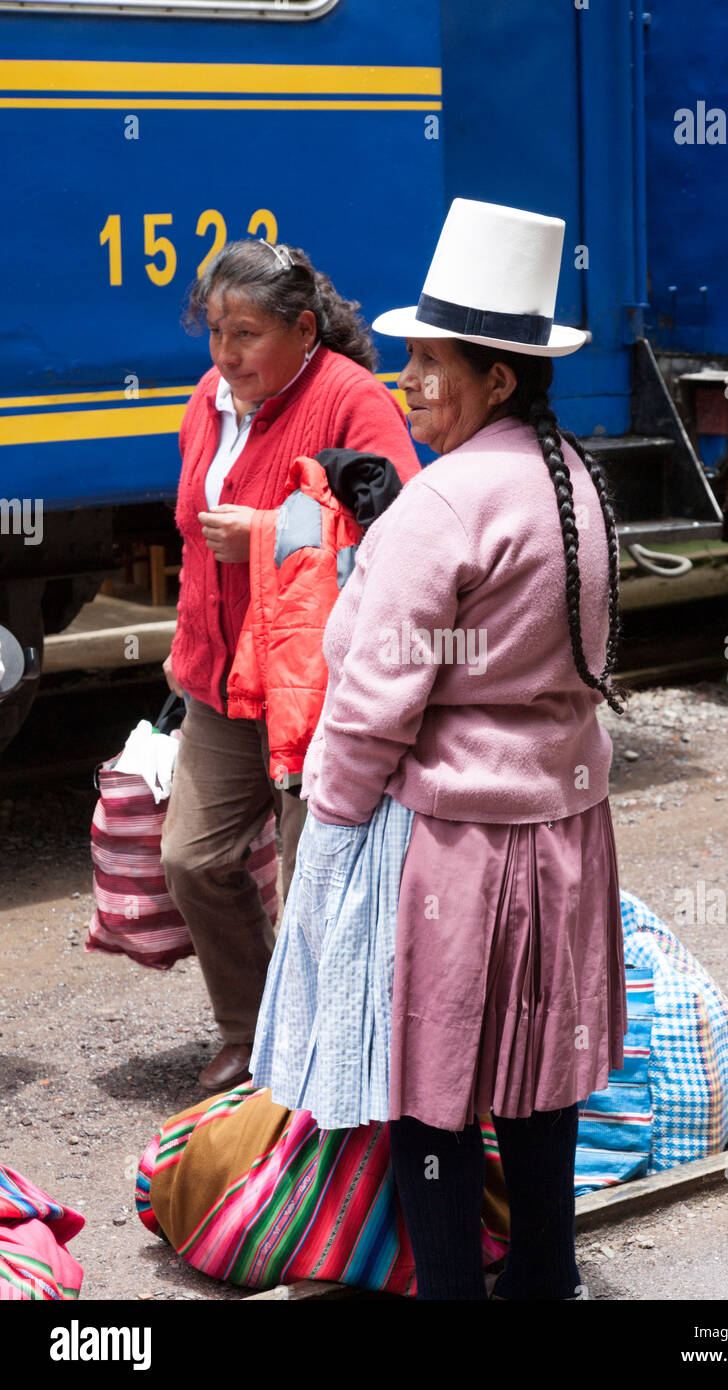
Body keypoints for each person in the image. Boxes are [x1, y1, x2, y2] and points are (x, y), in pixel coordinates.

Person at [250, 199, 628, 1300]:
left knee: (429, 1080)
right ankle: (543, 1273)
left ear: (497, 379)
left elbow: (371, 705)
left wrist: (327, 817)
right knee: (532, 1066)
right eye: (408, 361)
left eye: (429, 363)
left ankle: (455, 1287)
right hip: (560, 828)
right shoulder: (577, 480)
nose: (409, 383)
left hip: (454, 847)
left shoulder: (441, 502)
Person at [161, 239, 419, 1092]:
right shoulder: (210, 397)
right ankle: (249, 1026)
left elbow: (401, 528)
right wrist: (183, 646)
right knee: (193, 859)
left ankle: (318, 1055)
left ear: (304, 329)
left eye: (245, 335)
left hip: (318, 682)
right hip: (220, 677)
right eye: (215, 334)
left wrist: (273, 535)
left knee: (316, 877)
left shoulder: (351, 399)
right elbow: (195, 540)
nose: (225, 355)